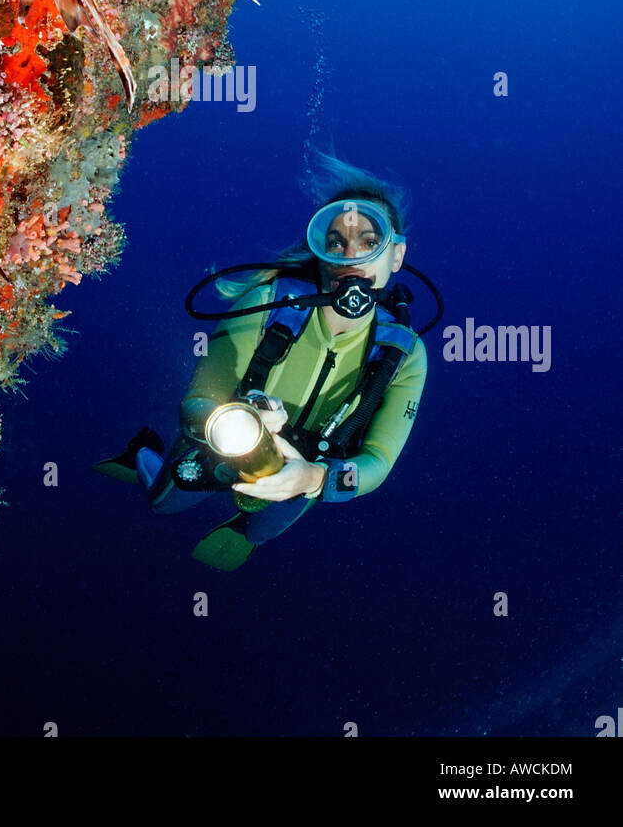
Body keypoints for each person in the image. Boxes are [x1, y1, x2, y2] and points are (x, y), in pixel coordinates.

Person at [95, 159, 429, 569]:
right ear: (319, 252)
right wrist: (241, 420)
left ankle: (245, 526)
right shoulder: (266, 304)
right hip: (221, 446)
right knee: (161, 504)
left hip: (305, 468)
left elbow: (378, 460)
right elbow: (195, 403)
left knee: (259, 533)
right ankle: (143, 453)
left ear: (396, 255)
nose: (350, 258)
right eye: (335, 242)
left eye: (369, 241)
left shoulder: (405, 354)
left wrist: (315, 478)